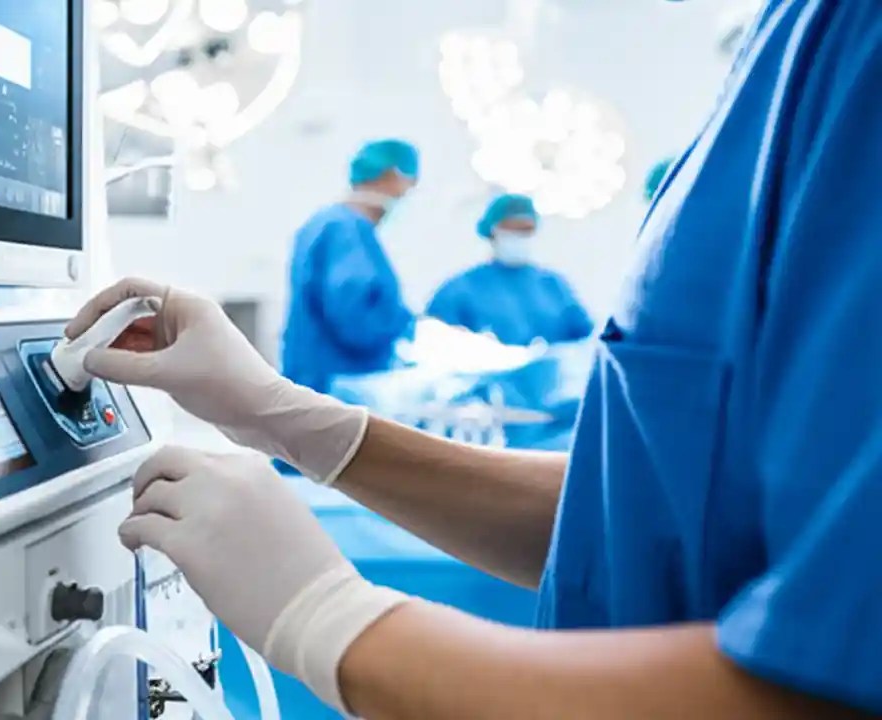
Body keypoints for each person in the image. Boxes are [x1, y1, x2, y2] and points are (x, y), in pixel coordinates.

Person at [65, 1, 882, 716]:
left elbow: (824, 683)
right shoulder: (803, 44)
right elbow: (654, 508)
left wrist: (327, 618)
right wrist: (287, 418)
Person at [279, 139, 417, 395]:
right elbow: (354, 319)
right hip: (339, 386)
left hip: (317, 383)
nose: (407, 194)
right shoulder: (346, 230)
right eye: (408, 186)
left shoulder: (327, 224)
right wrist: (410, 332)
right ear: (391, 177)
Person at [425, 194, 594, 345]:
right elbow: (433, 347)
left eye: (525, 229)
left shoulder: (553, 286)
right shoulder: (459, 291)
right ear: (492, 232)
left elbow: (586, 342)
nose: (518, 235)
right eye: (510, 228)